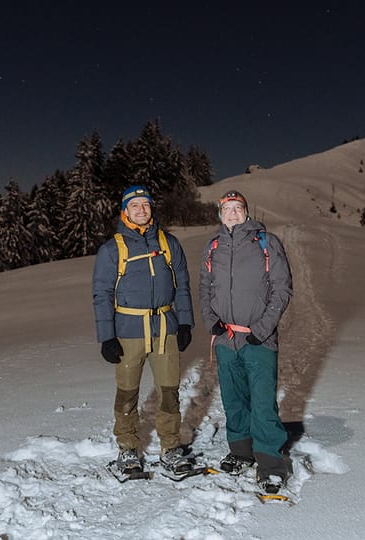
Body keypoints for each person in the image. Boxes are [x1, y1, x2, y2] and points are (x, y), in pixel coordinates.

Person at [92, 185, 195, 475]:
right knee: (127, 393)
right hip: (128, 331)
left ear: (151, 208)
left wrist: (185, 322)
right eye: (134, 205)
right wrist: (107, 337)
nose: (141, 210)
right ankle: (127, 450)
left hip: (165, 328)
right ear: (125, 211)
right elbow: (101, 294)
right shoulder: (113, 249)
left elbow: (182, 286)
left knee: (169, 392)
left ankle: (171, 448)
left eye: (145, 205)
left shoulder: (168, 243)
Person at [199, 190, 293, 494]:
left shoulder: (266, 243)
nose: (232, 213)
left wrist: (262, 328)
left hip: (258, 339)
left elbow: (282, 290)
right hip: (226, 338)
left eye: (238, 208)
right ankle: (241, 451)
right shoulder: (213, 246)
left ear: (246, 212)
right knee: (233, 399)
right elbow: (204, 289)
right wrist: (211, 321)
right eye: (227, 208)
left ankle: (270, 463)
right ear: (219, 214)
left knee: (263, 402)